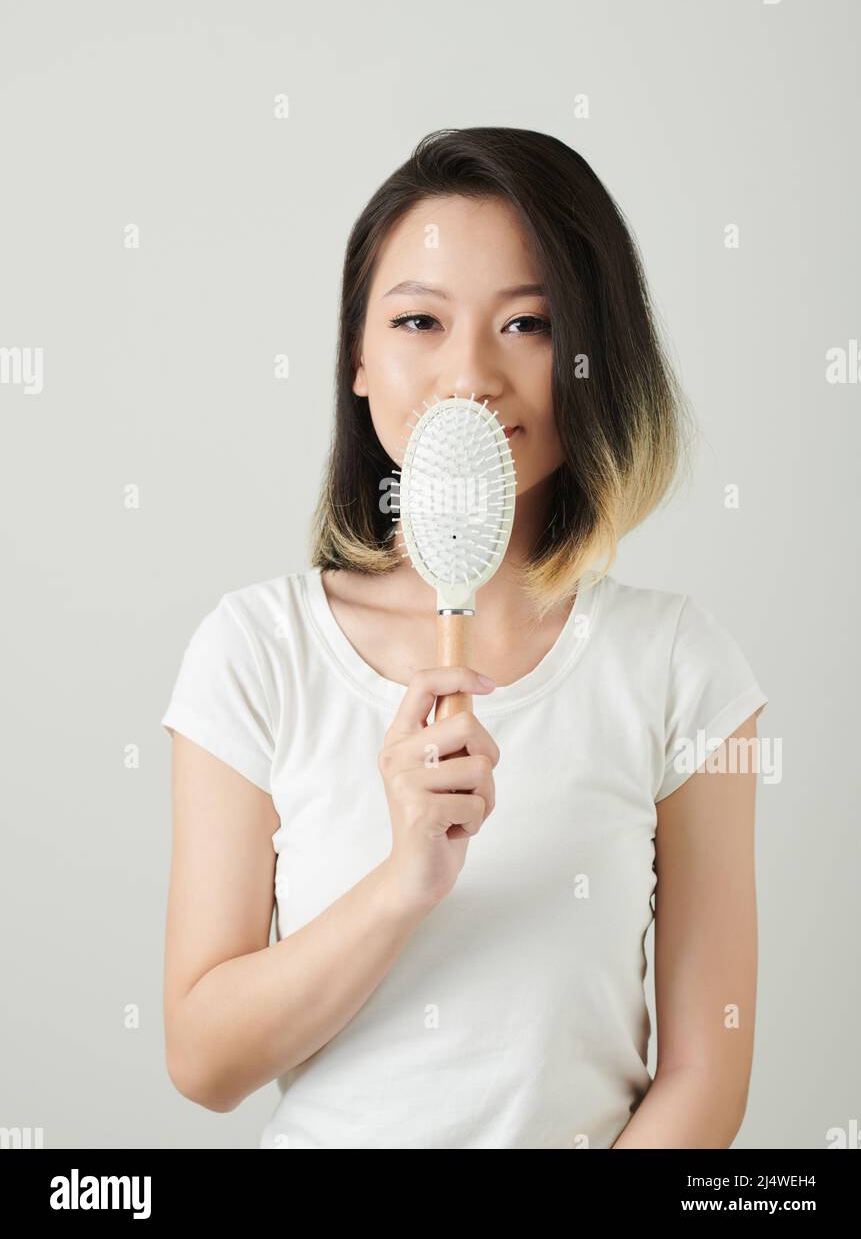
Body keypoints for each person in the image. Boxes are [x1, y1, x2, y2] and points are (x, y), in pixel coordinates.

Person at [161, 127, 768, 1149]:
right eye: (417, 321)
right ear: (357, 358)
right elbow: (202, 1060)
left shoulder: (679, 671)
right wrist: (405, 879)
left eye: (527, 324)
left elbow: (705, 1078)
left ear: (591, 357)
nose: (469, 373)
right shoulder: (254, 652)